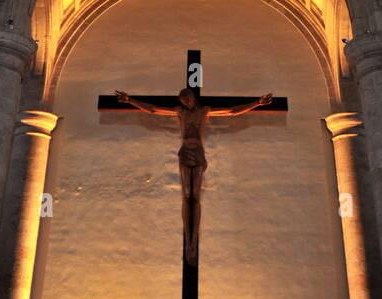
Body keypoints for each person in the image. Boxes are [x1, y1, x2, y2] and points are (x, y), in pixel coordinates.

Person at [116, 86, 273, 263]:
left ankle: (192, 241)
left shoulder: (205, 111)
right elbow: (153, 109)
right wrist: (130, 100)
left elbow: (231, 111)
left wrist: (257, 103)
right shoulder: (179, 112)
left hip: (198, 153)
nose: (186, 103)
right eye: (183, 101)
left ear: (193, 97)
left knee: (195, 197)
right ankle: (188, 239)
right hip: (184, 153)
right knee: (186, 196)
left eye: (188, 99)